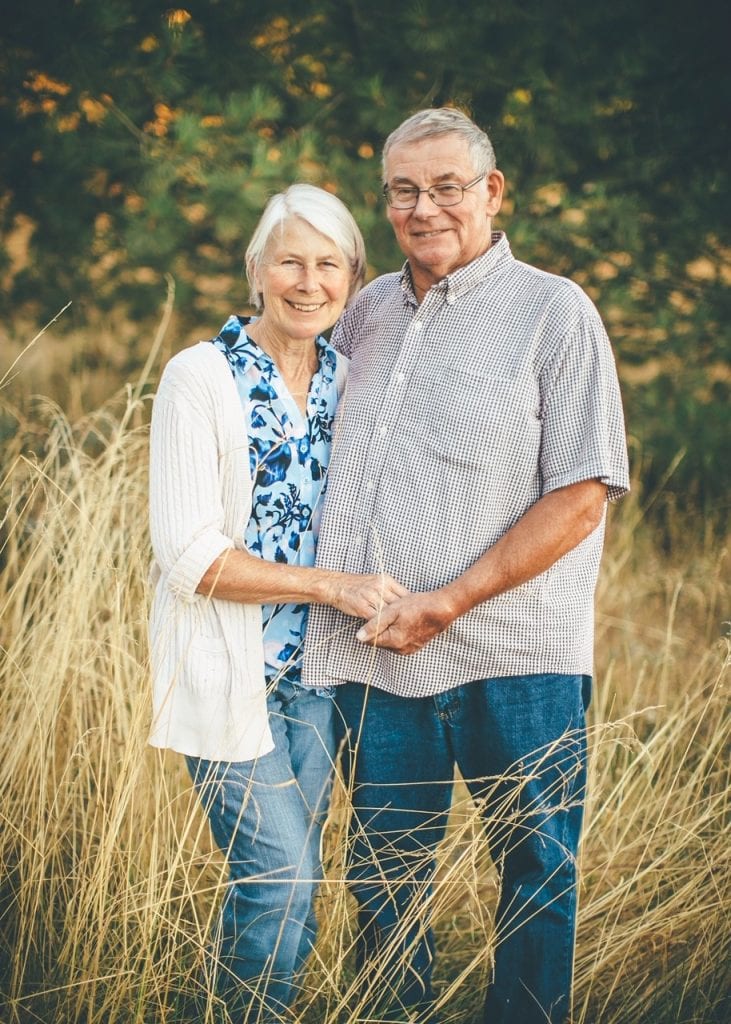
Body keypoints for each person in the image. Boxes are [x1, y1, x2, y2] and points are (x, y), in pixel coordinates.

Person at [303, 108, 630, 1023]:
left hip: (516, 657)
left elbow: (581, 493)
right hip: (378, 658)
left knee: (536, 876)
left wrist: (448, 601)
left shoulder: (552, 310)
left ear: (491, 192)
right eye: (403, 191)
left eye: (447, 187)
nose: (424, 208)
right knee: (383, 888)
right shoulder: (362, 311)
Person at [147, 183, 408, 1022]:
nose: (308, 281)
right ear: (255, 269)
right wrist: (328, 586)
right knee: (282, 879)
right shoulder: (201, 375)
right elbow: (189, 556)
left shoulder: (350, 382)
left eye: (328, 264)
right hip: (229, 672)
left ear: (353, 277)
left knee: (290, 895)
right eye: (288, 260)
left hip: (319, 680)